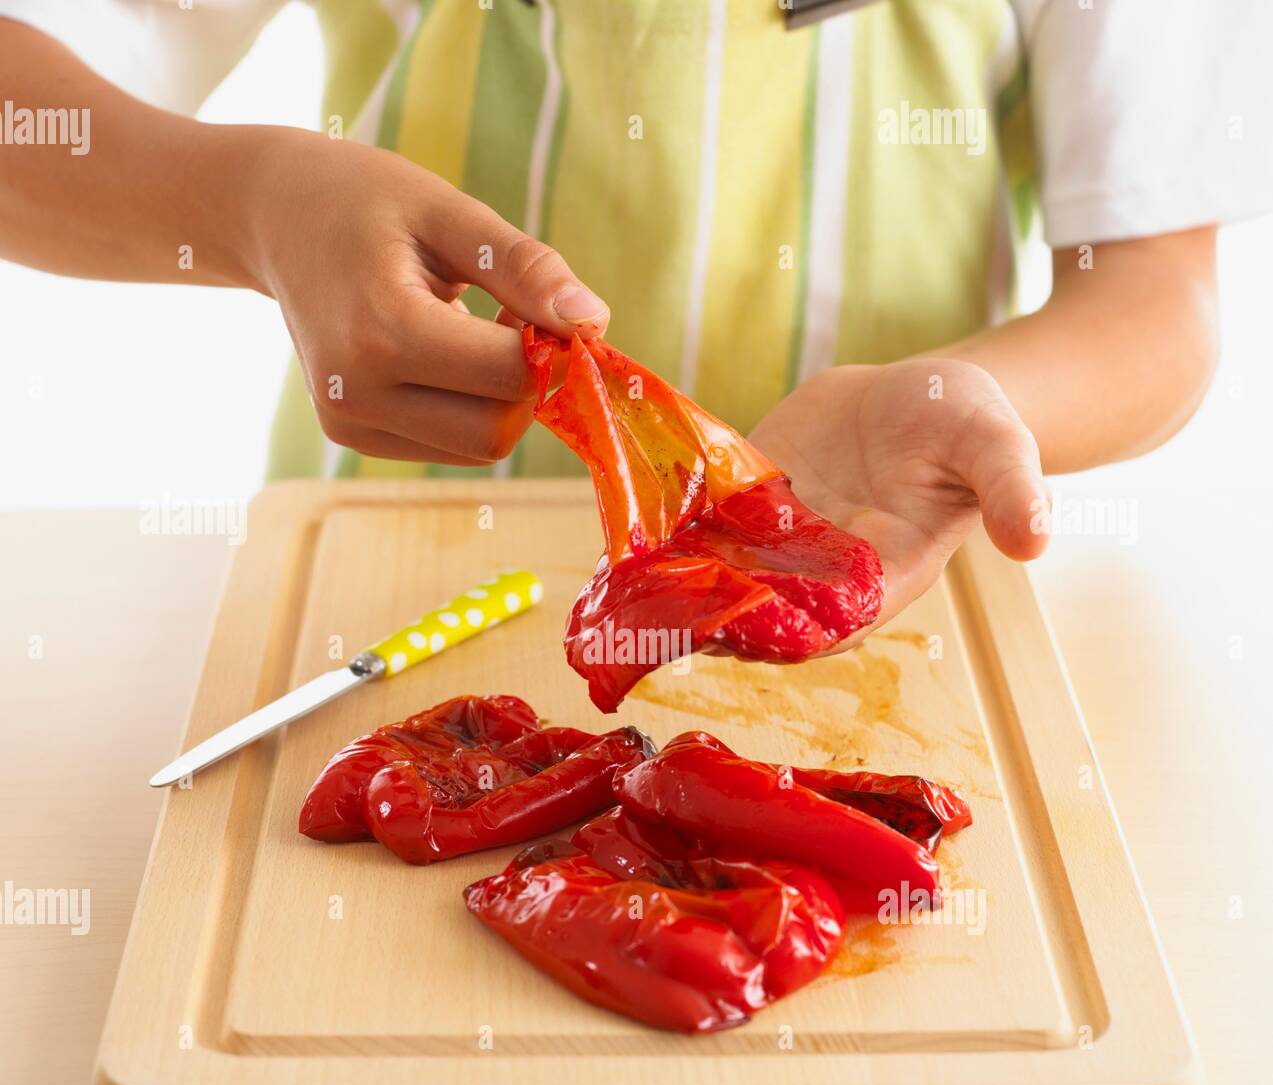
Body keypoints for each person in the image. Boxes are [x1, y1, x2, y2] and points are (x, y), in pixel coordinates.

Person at [1, 0, 1268, 631]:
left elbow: (1156, 292)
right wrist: (249, 201)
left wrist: (963, 407)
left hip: (882, 586)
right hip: (382, 586)